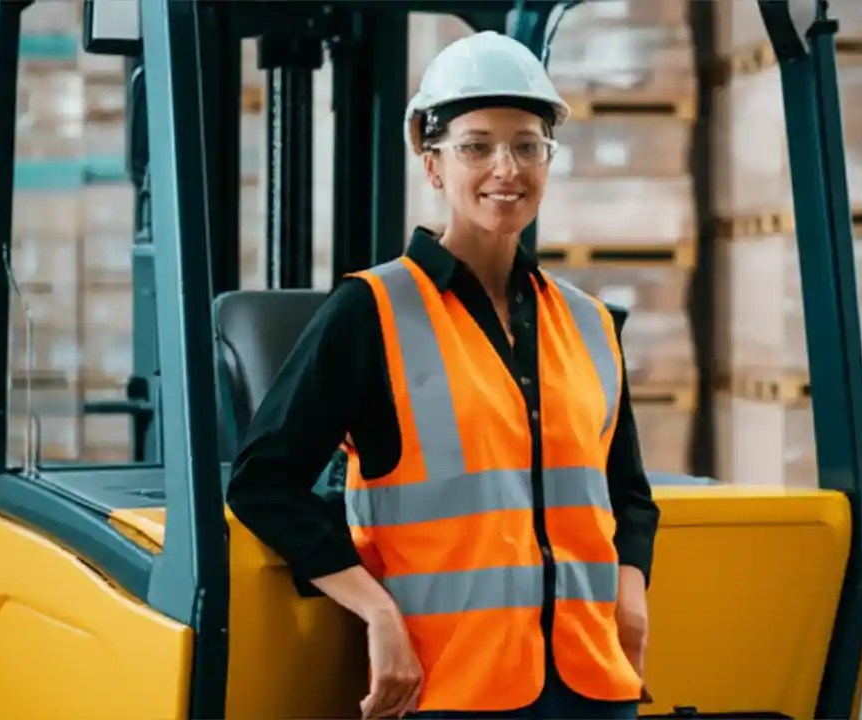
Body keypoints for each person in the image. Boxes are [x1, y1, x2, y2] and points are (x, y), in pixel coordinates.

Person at [226, 30, 660, 720]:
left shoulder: (588, 324)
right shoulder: (370, 311)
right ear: (432, 166)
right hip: (450, 687)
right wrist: (376, 612)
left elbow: (628, 496)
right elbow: (263, 482)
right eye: (476, 146)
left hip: (593, 685)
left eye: (527, 145)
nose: (505, 168)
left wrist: (630, 597)